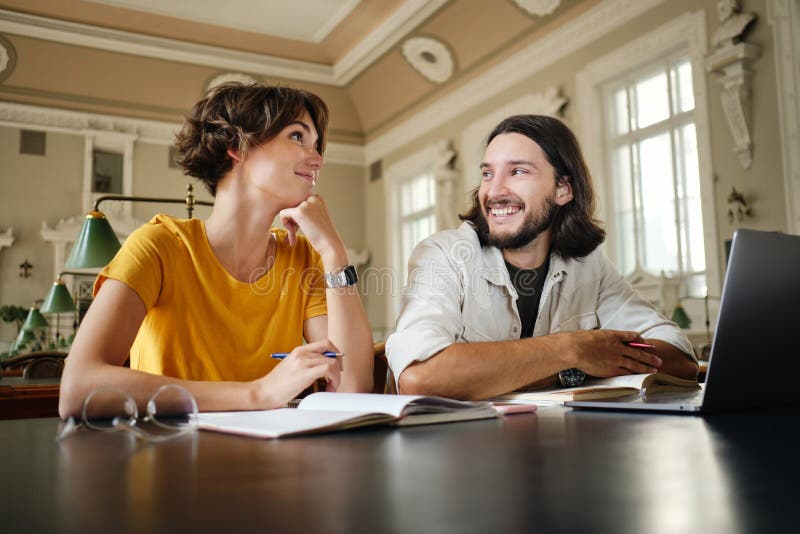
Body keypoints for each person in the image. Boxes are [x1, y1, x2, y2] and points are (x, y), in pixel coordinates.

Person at [59, 83, 373, 417]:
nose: (318, 160)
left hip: (274, 462)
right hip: (170, 459)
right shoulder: (160, 245)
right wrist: (258, 393)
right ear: (236, 146)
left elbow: (352, 388)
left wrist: (334, 251)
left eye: (317, 145)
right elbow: (78, 388)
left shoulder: (304, 256)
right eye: (297, 136)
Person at [385, 114, 697, 400]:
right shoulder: (442, 256)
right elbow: (420, 378)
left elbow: (678, 357)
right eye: (487, 173)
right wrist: (570, 350)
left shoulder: (589, 265)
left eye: (517, 171)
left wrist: (568, 367)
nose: (493, 191)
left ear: (563, 188)